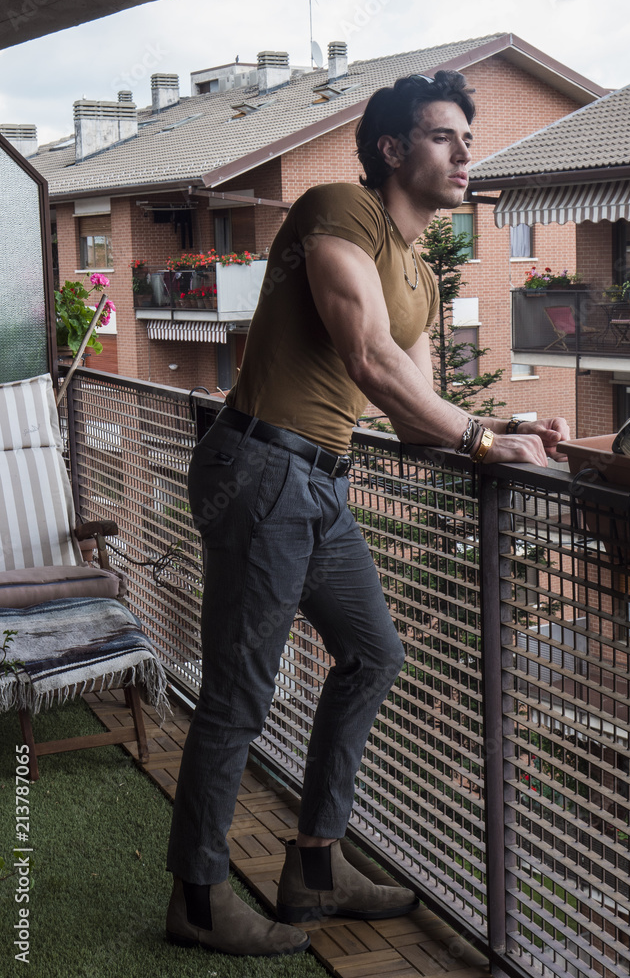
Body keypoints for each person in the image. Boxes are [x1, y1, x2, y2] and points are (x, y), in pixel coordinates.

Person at [165, 69, 570, 958]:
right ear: (392, 150)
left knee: (374, 653)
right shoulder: (337, 211)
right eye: (441, 136)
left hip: (320, 483)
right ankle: (195, 898)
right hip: (261, 467)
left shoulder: (419, 275)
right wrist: (477, 439)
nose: (465, 151)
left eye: (468, 136)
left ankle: (314, 863)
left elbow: (414, 412)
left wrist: (503, 430)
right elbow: (369, 359)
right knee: (241, 689)